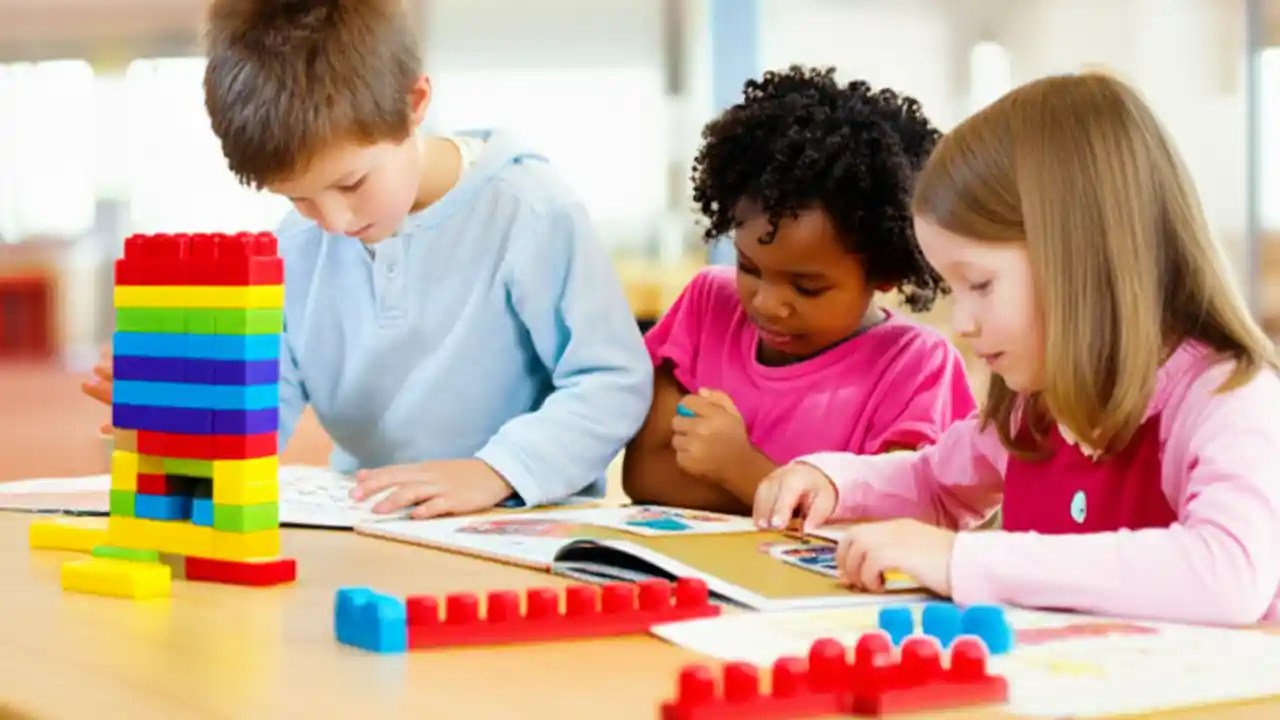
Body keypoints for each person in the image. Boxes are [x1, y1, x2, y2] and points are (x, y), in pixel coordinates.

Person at [82, 0, 652, 518]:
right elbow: (268, 391)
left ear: (414, 105)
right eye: (298, 197)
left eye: (351, 183)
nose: (332, 221)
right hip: (371, 514)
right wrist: (188, 420)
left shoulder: (530, 211)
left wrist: (495, 471)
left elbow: (612, 379)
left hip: (519, 517)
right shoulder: (296, 244)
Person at [753, 73, 1280, 625]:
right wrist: (835, 483)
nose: (962, 322)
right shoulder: (1036, 409)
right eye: (953, 290)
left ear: (1083, 262)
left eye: (979, 285)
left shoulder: (1227, 399)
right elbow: (936, 482)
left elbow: (1229, 574)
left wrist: (963, 561)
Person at [622, 66, 977, 514]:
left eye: (807, 288)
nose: (767, 304)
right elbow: (646, 477)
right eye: (749, 267)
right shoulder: (706, 305)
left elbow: (891, 526)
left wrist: (742, 469)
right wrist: (809, 508)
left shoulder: (915, 366)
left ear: (883, 273)